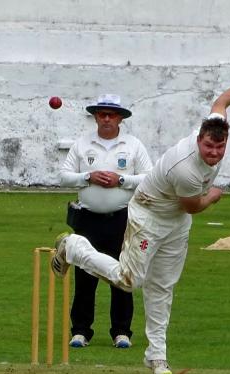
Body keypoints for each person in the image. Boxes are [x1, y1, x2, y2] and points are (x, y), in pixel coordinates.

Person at [52, 65, 230, 374]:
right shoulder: (186, 170)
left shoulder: (214, 128)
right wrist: (214, 195)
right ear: (198, 140)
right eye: (209, 146)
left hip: (175, 221)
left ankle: (156, 356)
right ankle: (74, 247)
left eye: (219, 147)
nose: (214, 153)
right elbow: (194, 206)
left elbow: (221, 103)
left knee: (163, 286)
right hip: (149, 215)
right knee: (129, 280)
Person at [60, 94, 153, 349]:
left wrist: (121, 180)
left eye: (112, 114)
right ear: (96, 117)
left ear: (120, 118)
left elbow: (149, 177)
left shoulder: (133, 145)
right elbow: (64, 176)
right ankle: (80, 331)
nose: (107, 118)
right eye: (102, 114)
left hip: (122, 218)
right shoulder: (82, 144)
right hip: (88, 218)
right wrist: (88, 177)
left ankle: (121, 332)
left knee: (123, 274)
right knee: (84, 273)